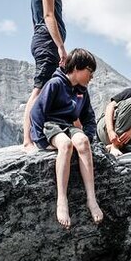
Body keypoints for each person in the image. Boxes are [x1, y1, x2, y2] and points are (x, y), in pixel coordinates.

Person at [29, 49, 103, 229]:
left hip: (68, 126)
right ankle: (62, 200)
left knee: (83, 142)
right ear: (77, 68)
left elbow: (89, 118)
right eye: (89, 71)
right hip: (51, 125)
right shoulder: (55, 83)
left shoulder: (82, 92)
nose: (91, 77)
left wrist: (89, 135)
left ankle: (91, 199)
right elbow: (37, 111)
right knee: (66, 145)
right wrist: (41, 141)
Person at [22, 0, 68, 150]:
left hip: (44, 40)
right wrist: (60, 46)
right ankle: (28, 141)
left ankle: (38, 137)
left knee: (45, 90)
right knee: (39, 90)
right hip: (47, 42)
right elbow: (49, 16)